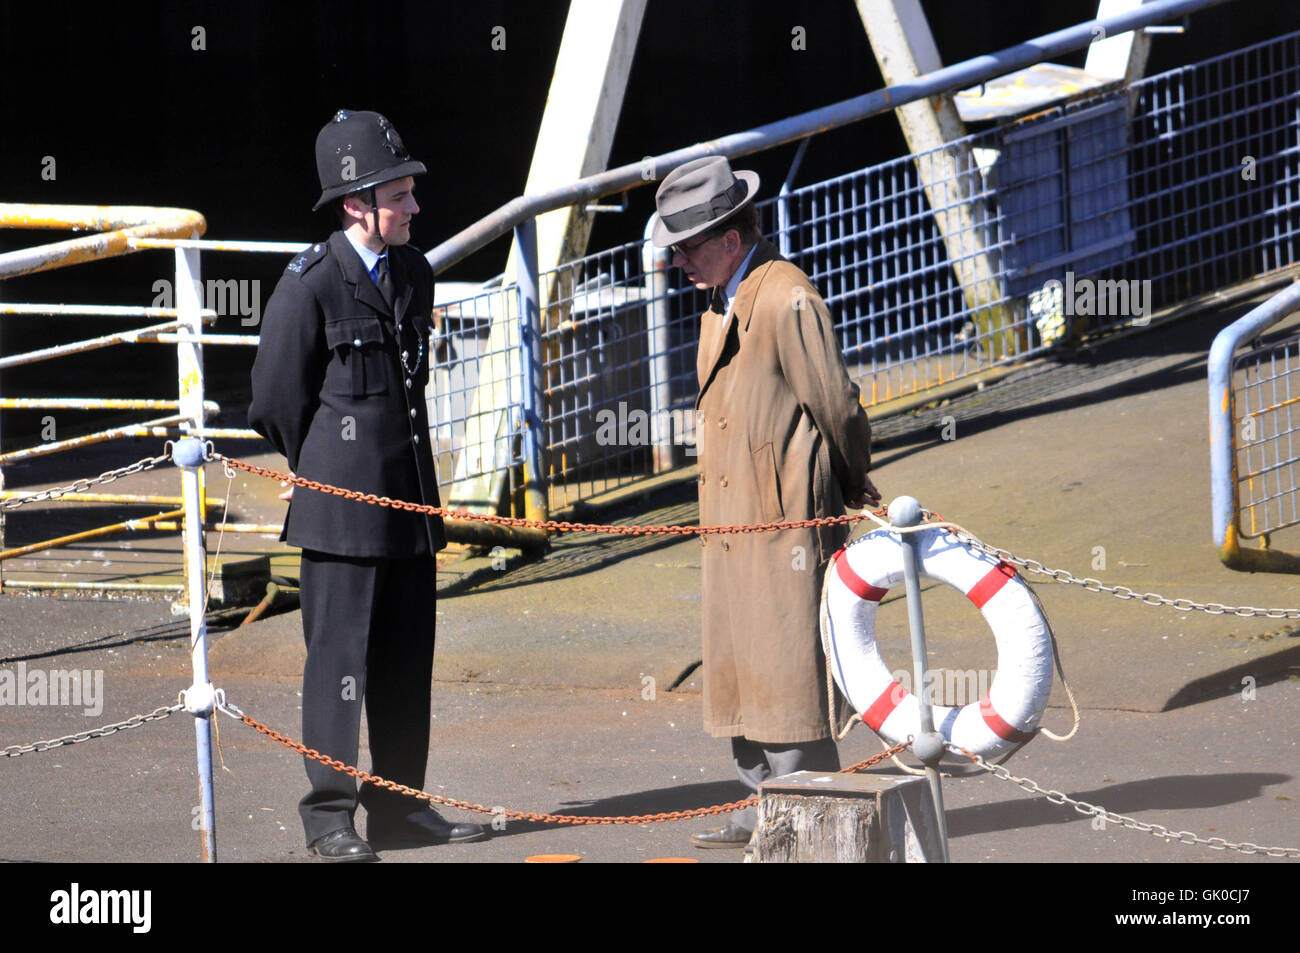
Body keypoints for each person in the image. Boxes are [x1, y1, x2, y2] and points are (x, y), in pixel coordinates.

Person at [248, 109, 485, 861]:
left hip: (409, 507)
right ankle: (329, 816)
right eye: (400, 195)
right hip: (343, 516)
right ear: (357, 203)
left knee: (406, 664)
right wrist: (320, 472)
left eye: (412, 192)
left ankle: (400, 806)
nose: (415, 207)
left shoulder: (414, 272)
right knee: (339, 667)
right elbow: (275, 401)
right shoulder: (309, 287)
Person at [650, 156, 880, 849]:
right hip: (734, 522)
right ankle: (766, 802)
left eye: (686, 249)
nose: (678, 263)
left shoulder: (786, 298)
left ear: (727, 237)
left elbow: (835, 405)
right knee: (744, 671)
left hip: (782, 526)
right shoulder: (723, 300)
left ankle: (810, 806)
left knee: (789, 674)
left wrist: (848, 480)